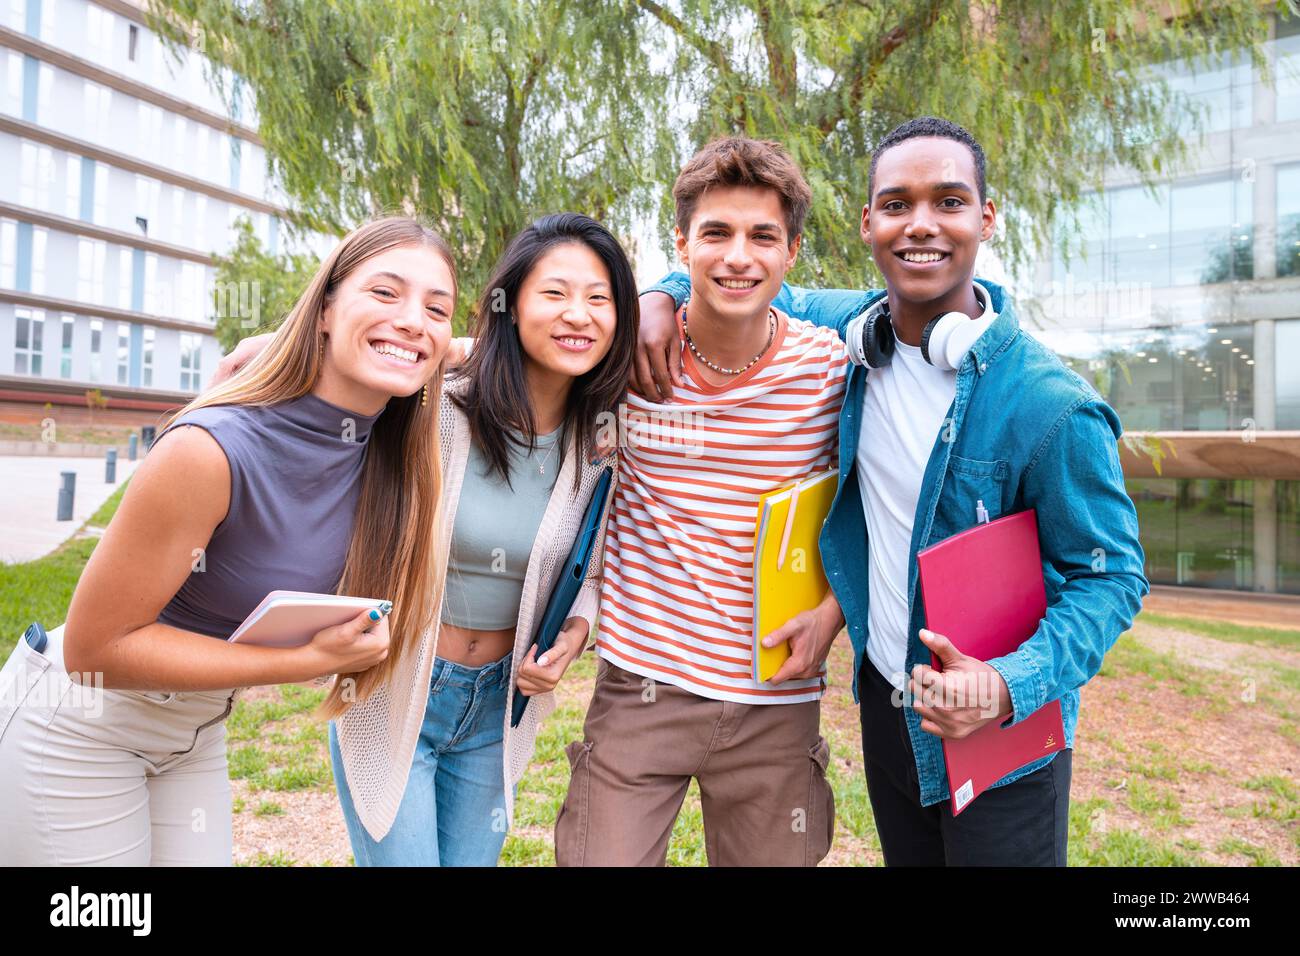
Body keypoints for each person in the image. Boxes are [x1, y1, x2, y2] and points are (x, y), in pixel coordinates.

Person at [636, 117, 1149, 866]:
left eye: (948, 202)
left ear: (985, 217)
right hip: (889, 701)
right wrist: (659, 294)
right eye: (898, 203)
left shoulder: (1051, 407)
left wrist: (1008, 684)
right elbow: (737, 268)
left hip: (998, 727)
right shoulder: (848, 329)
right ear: (869, 221)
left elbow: (1111, 579)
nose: (922, 225)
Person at [0, 216, 454, 865]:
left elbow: (469, 351)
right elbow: (97, 649)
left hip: (195, 731)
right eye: (385, 293)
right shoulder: (211, 450)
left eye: (436, 309)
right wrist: (301, 661)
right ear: (324, 308)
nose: (414, 320)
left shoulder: (386, 448)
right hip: (77, 731)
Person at [213, 213, 636, 866]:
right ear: (511, 303)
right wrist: (282, 340)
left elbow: (600, 572)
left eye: (598, 298)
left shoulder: (601, 444)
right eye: (553, 293)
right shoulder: (435, 406)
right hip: (399, 686)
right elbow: (367, 356)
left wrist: (572, 641)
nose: (576, 314)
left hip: (499, 708)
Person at [553, 137, 845, 867]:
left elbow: (877, 508)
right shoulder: (621, 359)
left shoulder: (833, 372)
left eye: (762, 237)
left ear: (792, 252)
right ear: (681, 244)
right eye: (715, 233)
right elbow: (501, 353)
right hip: (641, 689)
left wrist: (835, 613)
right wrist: (305, 342)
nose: (737, 256)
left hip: (775, 702)